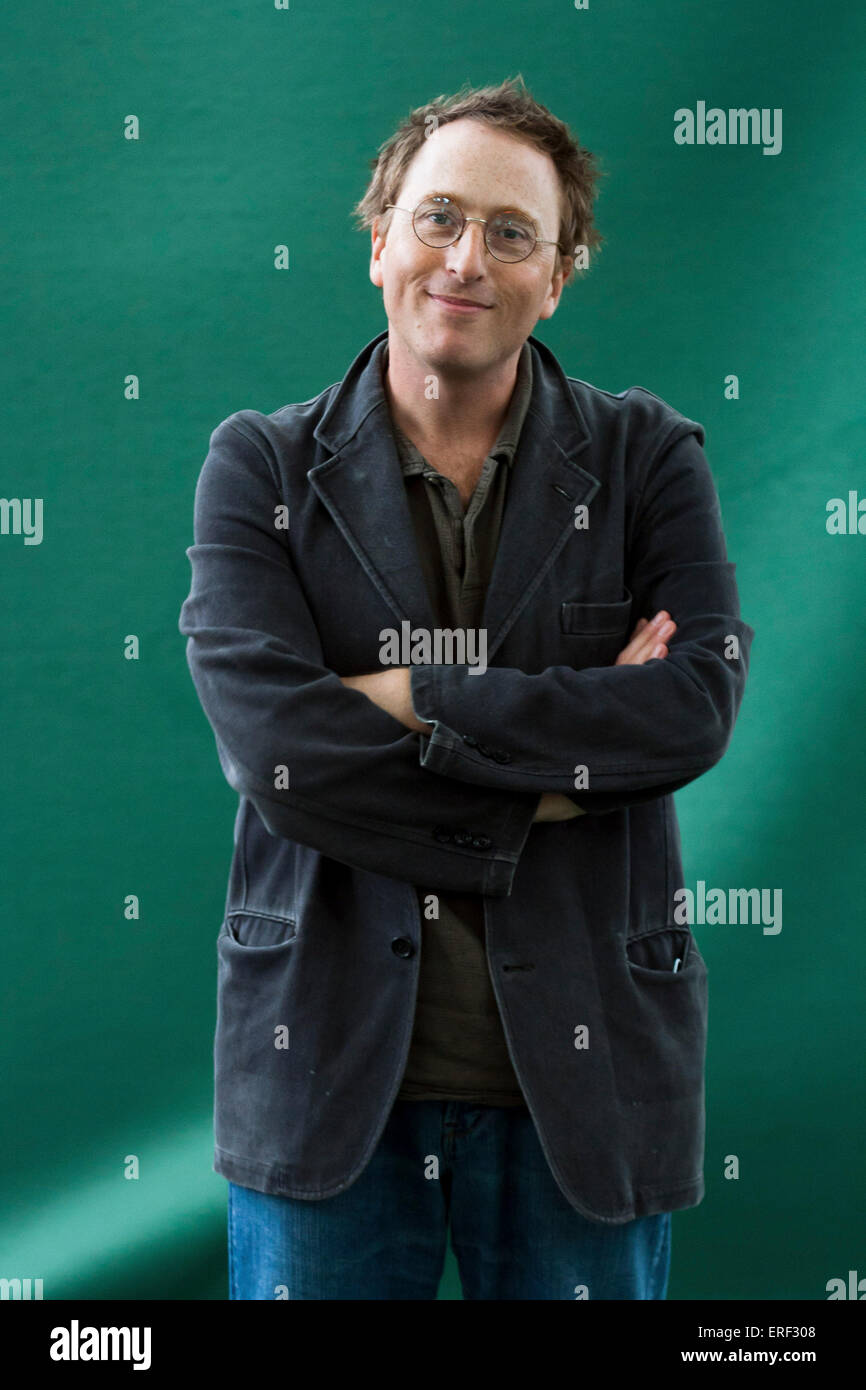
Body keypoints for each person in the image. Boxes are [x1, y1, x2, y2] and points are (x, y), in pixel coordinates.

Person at [178, 77, 754, 1300]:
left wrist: (406, 693)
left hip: (585, 1092)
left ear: (557, 275)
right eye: (437, 217)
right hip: (324, 1078)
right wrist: (550, 771)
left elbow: (690, 707)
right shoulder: (256, 464)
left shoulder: (649, 456)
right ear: (378, 235)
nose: (466, 257)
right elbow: (275, 750)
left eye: (511, 232)